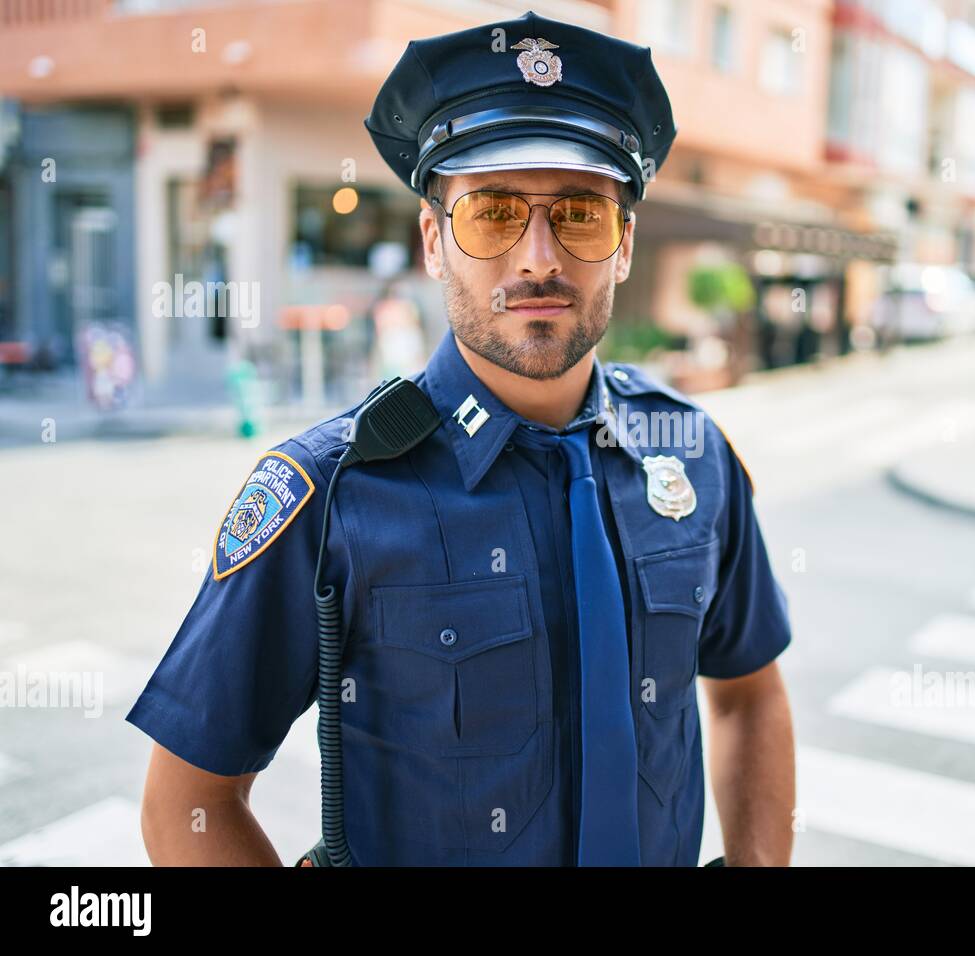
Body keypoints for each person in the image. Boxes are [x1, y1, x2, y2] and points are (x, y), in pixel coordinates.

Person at [126, 9, 796, 867]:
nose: (538, 258)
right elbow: (187, 805)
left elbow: (748, 697)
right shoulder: (331, 491)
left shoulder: (693, 454)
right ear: (435, 241)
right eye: (492, 213)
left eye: (582, 214)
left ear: (624, 245)